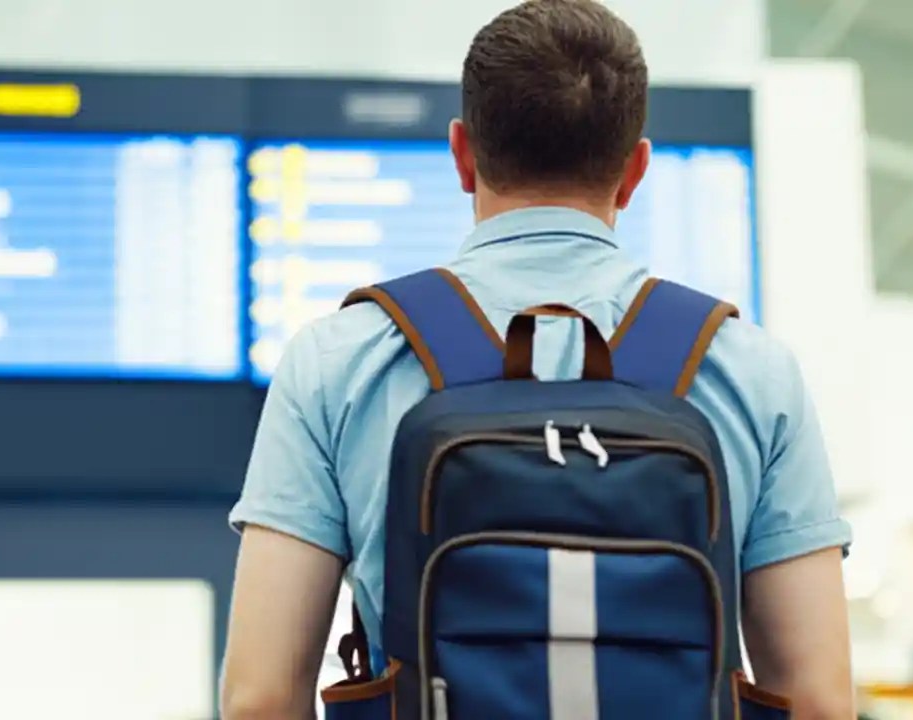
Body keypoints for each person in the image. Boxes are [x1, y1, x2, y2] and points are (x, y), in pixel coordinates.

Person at [221, 1, 854, 718]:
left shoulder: (340, 359)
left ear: (463, 155)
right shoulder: (750, 371)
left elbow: (261, 697)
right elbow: (819, 700)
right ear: (634, 170)